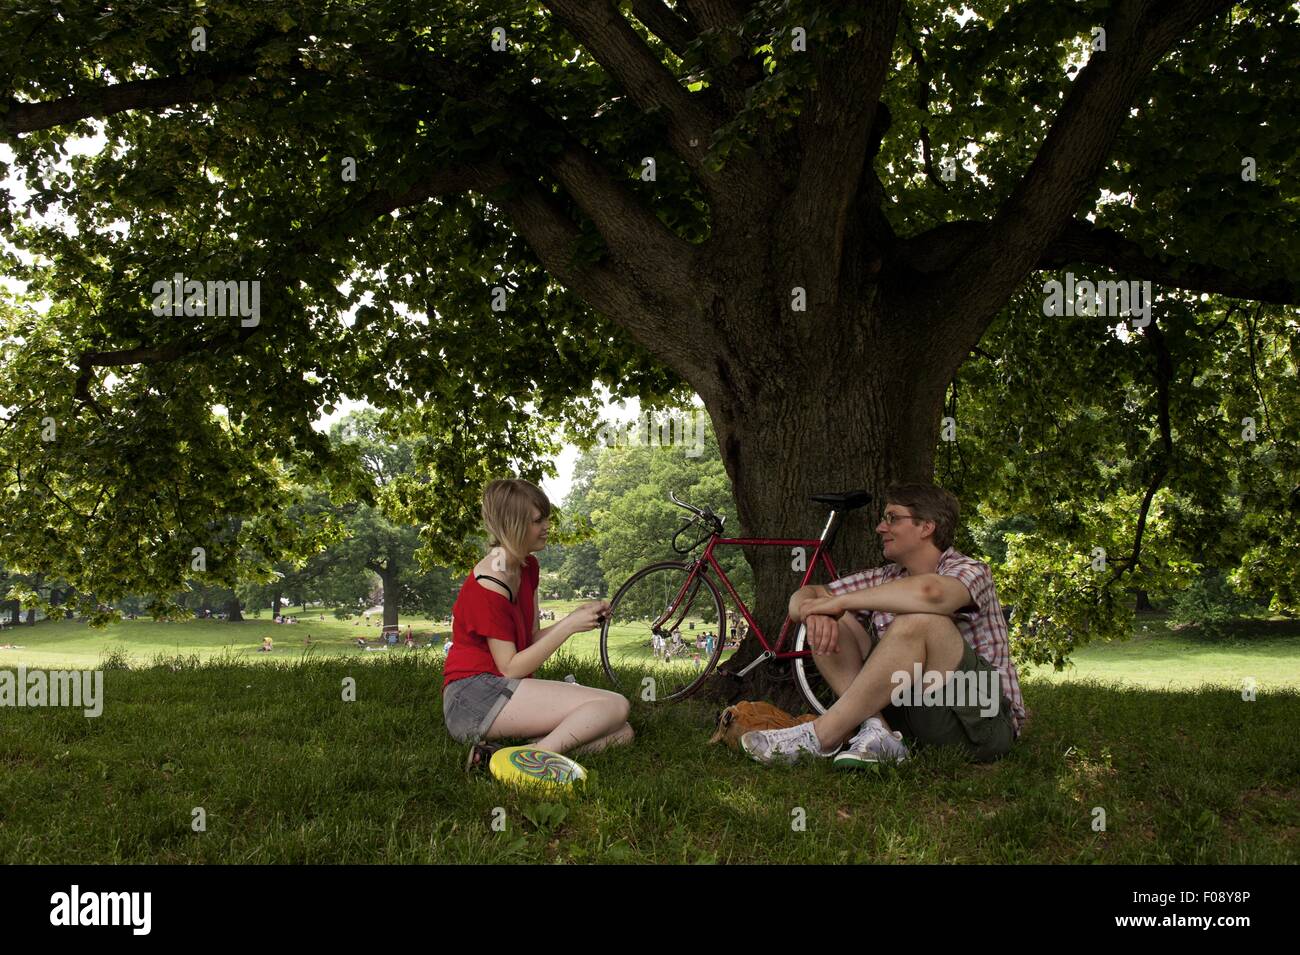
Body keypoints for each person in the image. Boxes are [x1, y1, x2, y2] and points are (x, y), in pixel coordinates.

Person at [741, 483, 1027, 768]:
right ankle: (878, 732)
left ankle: (820, 735)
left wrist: (838, 602)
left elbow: (932, 594)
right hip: (914, 718)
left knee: (920, 620)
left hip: (983, 722)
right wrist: (815, 612)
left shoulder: (970, 570)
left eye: (892, 518)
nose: (880, 527)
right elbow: (802, 598)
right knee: (832, 620)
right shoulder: (884, 578)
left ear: (926, 526)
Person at [444, 478, 634, 768]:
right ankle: (531, 759)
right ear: (512, 525)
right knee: (616, 706)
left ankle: (496, 758)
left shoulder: (527, 566)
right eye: (537, 520)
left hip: (503, 686)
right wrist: (569, 626)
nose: (546, 526)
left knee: (622, 733)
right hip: (473, 697)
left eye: (546, 517)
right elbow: (511, 666)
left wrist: (577, 618)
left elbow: (529, 638)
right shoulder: (489, 584)